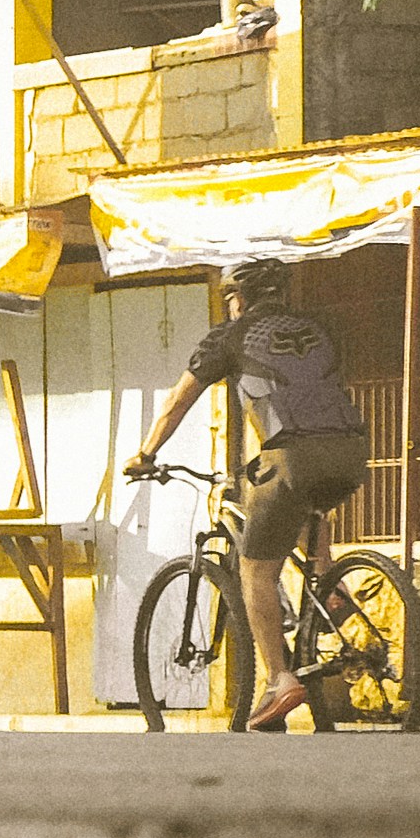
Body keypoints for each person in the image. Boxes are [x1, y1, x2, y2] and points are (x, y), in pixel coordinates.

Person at [130, 261, 373, 730]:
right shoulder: (319, 328)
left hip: (292, 456)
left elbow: (178, 401)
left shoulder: (232, 335)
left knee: (256, 570)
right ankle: (331, 588)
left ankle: (280, 679)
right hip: (351, 450)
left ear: (239, 298)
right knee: (298, 507)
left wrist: (146, 453)